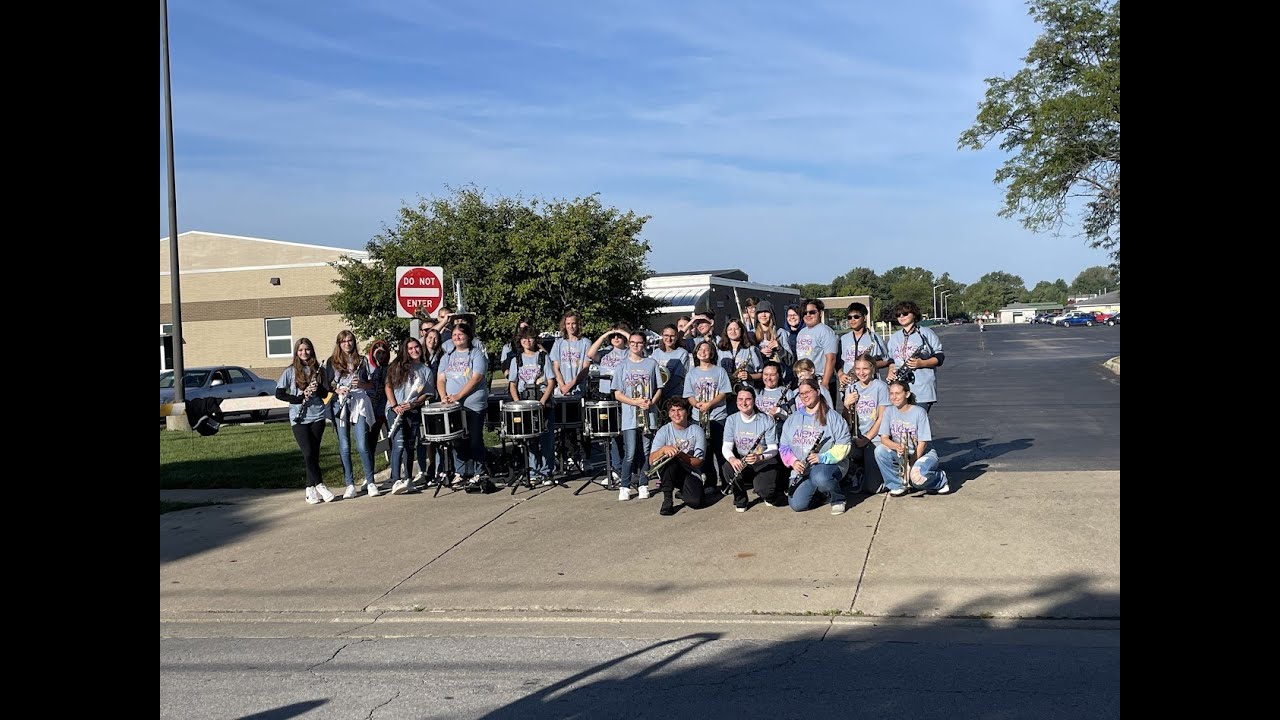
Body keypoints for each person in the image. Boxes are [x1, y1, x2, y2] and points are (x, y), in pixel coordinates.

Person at [275, 338, 335, 504]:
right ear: (296, 352)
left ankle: (310, 489)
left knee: (314, 454)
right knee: (308, 453)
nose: (304, 353)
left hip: (317, 415)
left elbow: (325, 395)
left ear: (311, 351)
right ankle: (320, 484)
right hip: (299, 417)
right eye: (300, 350)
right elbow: (279, 393)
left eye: (307, 349)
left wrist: (318, 388)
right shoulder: (290, 371)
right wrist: (298, 398)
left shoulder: (318, 370)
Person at [781, 377, 852, 515]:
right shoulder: (793, 419)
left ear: (818, 392)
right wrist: (793, 462)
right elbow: (784, 446)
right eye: (801, 394)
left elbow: (845, 446)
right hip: (803, 469)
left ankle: (838, 499)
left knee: (820, 476)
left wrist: (822, 458)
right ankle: (822, 492)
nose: (804, 396)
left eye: (808, 392)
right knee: (797, 504)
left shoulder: (833, 417)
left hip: (829, 465)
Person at [873, 380, 951, 496]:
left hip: (922, 453)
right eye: (891, 393)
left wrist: (910, 463)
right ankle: (897, 485)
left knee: (917, 479)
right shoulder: (888, 411)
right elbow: (884, 438)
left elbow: (923, 443)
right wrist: (895, 446)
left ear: (907, 394)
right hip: (902, 452)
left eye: (898, 393)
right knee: (880, 451)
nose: (894, 397)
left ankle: (939, 479)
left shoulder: (919, 412)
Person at [325, 331, 377, 499]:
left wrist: (361, 383)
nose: (347, 344)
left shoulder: (362, 361)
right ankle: (350, 484)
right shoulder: (332, 362)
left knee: (362, 445)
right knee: (345, 445)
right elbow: (326, 384)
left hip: (359, 402)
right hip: (341, 403)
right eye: (343, 341)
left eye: (350, 341)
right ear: (339, 344)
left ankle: (370, 482)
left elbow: (371, 385)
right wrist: (337, 389)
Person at [438, 323, 489, 485]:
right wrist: (444, 396)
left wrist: (459, 395)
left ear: (468, 336)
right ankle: (461, 472)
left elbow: (476, 378)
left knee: (474, 438)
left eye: (460, 335)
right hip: (453, 406)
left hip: (473, 404)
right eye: (454, 335)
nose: (457, 337)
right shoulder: (447, 356)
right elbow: (440, 379)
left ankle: (479, 471)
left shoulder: (476, 354)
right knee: (457, 439)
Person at [614, 331, 662, 500]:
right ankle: (625, 486)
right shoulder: (622, 366)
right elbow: (617, 394)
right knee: (630, 452)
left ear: (644, 344)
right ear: (628, 344)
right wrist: (635, 402)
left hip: (648, 414)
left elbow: (659, 388)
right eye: (633, 342)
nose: (636, 345)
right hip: (630, 415)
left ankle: (643, 484)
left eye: (639, 342)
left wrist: (651, 402)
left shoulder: (651, 363)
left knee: (647, 451)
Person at [721, 386, 785, 511]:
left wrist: (759, 457)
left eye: (748, 399)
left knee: (765, 490)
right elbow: (726, 447)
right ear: (736, 401)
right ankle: (740, 499)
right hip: (743, 459)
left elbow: (773, 448)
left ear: (754, 400)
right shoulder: (731, 420)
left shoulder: (766, 420)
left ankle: (770, 494)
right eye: (740, 399)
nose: (744, 403)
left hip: (764, 459)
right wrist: (733, 459)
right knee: (728, 467)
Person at [384, 338, 433, 495]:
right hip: (395, 411)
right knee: (399, 443)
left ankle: (408, 479)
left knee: (410, 445)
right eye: (410, 348)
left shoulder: (426, 370)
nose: (414, 350)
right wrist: (394, 406)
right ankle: (396, 479)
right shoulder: (397, 366)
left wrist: (413, 404)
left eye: (416, 347)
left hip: (412, 411)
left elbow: (427, 393)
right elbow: (388, 387)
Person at [507, 327, 555, 484]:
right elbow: (513, 384)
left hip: (542, 402)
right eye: (523, 339)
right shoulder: (516, 360)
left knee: (546, 440)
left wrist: (543, 401)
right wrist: (517, 403)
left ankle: (547, 472)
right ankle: (534, 471)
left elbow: (550, 382)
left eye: (530, 338)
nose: (527, 341)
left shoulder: (542, 357)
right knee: (530, 440)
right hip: (525, 404)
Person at [683, 340, 732, 492]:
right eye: (700, 349)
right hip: (699, 417)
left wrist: (710, 404)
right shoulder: (692, 373)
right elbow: (689, 395)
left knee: (720, 450)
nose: (703, 352)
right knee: (705, 450)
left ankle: (726, 482)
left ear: (711, 353)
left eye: (707, 349)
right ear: (696, 352)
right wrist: (696, 404)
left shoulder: (719, 371)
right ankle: (710, 482)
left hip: (718, 416)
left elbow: (724, 392)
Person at [648, 397, 708, 516]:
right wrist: (663, 449)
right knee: (671, 461)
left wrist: (681, 454)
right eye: (673, 410)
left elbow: (699, 462)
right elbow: (651, 460)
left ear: (687, 412)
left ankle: (682, 492)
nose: (676, 414)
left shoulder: (696, 430)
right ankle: (667, 500)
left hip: (690, 472)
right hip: (669, 471)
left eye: (680, 410)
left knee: (696, 502)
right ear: (669, 414)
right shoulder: (663, 431)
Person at [551, 311, 592, 471]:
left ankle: (585, 458)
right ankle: (570, 456)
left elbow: (585, 368)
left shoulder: (585, 343)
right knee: (565, 429)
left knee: (582, 429)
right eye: (568, 324)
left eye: (573, 323)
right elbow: (556, 366)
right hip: (562, 393)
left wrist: (572, 384)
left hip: (579, 392)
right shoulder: (559, 343)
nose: (571, 326)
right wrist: (562, 385)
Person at [843, 355, 891, 495]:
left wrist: (867, 438)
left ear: (872, 368)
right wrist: (846, 405)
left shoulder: (880, 387)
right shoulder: (851, 389)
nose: (861, 372)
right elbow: (845, 421)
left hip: (873, 437)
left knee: (872, 488)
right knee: (840, 448)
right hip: (856, 437)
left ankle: (883, 474)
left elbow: (882, 417)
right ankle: (856, 470)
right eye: (857, 369)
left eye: (865, 368)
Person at [886, 300, 945, 413]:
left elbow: (940, 357)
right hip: (900, 389)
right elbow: (891, 360)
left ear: (914, 314)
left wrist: (922, 363)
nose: (902, 316)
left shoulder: (926, 333)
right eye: (899, 315)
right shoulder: (894, 337)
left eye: (905, 313)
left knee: (917, 423)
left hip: (921, 389)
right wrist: (891, 371)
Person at [837, 302, 889, 396]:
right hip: (848, 384)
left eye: (856, 317)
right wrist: (840, 374)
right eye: (849, 317)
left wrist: (868, 365)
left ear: (864, 317)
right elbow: (838, 362)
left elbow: (886, 360)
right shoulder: (843, 339)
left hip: (869, 384)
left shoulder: (875, 338)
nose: (852, 320)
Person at [415, 327, 446, 485]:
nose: (432, 341)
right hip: (422, 400)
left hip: (438, 399)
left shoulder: (442, 356)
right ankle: (428, 468)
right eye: (429, 338)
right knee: (425, 438)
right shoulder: (420, 358)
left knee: (439, 436)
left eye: (435, 338)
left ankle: (441, 468)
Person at [795, 299, 839, 402]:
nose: (808, 315)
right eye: (805, 313)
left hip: (820, 380)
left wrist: (825, 382)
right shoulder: (801, 332)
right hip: (804, 381)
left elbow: (831, 359)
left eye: (812, 312)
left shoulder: (826, 332)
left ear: (820, 313)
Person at [650, 324, 691, 410]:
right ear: (662, 336)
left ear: (677, 337)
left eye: (672, 336)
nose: (669, 339)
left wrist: (661, 391)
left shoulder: (682, 353)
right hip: (657, 395)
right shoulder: (656, 352)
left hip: (675, 396)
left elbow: (678, 377)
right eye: (666, 335)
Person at [717, 318, 764, 388]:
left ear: (741, 330)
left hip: (746, 391)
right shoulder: (721, 351)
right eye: (730, 329)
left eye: (736, 329)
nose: (733, 331)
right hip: (727, 391)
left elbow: (762, 374)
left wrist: (749, 376)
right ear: (726, 332)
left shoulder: (751, 350)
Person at [364, 340, 392, 454]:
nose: (381, 356)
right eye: (378, 353)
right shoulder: (368, 368)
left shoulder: (389, 369)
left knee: (392, 437)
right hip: (372, 408)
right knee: (371, 441)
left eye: (383, 353)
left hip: (386, 406)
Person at [753, 300, 793, 378]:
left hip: (778, 377)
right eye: (760, 312)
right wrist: (760, 354)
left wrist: (779, 348)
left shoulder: (780, 333)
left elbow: (790, 361)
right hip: (759, 378)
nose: (763, 315)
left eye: (766, 312)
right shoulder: (751, 334)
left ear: (771, 314)